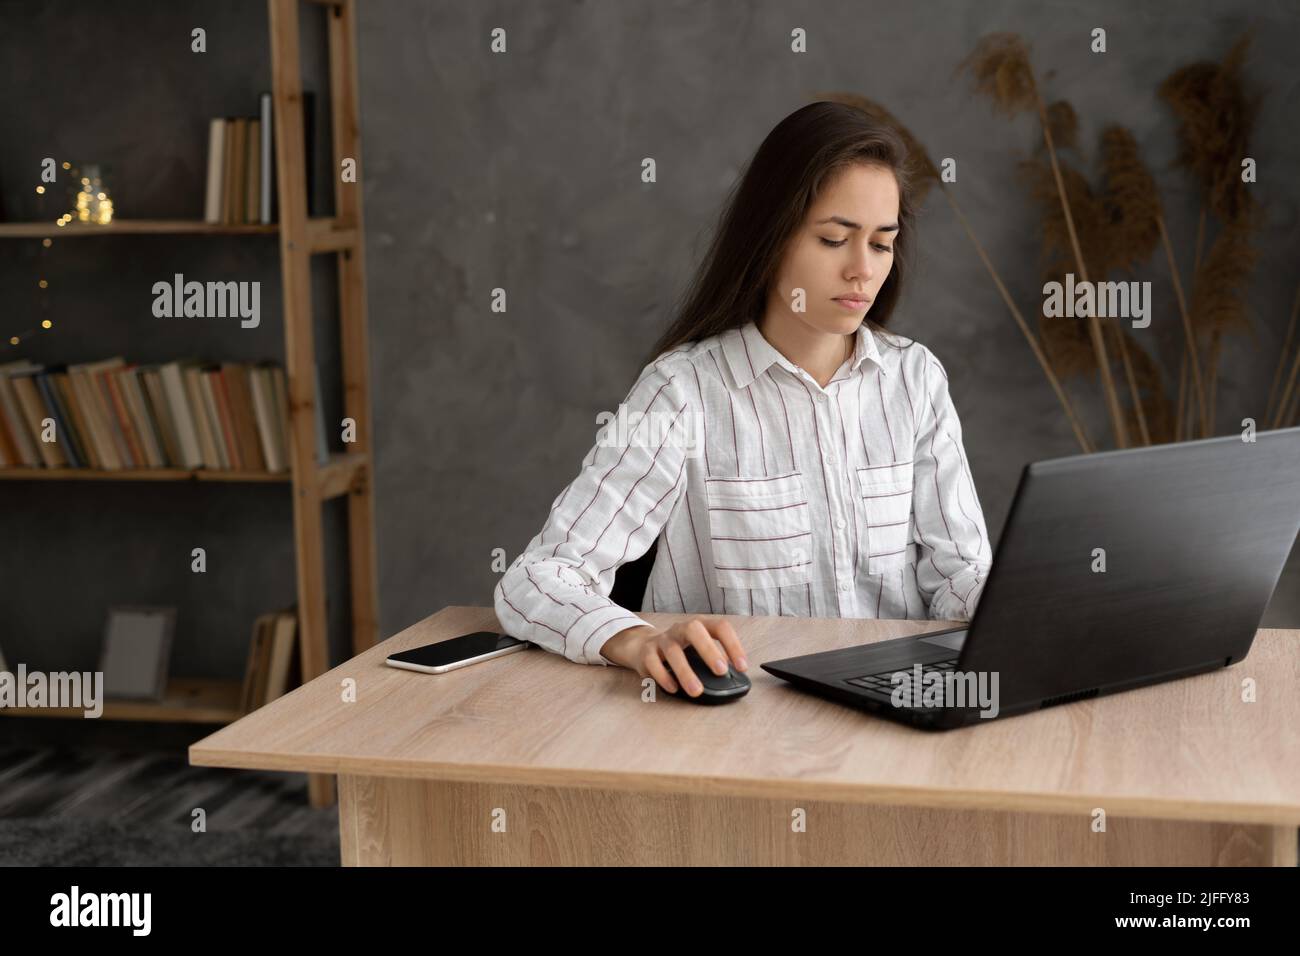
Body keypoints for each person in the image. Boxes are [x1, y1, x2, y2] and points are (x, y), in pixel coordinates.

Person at [494, 101, 991, 698]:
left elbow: (958, 572)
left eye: (882, 244)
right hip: (741, 724)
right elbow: (539, 578)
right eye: (835, 239)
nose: (862, 269)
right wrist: (636, 641)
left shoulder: (914, 379)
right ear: (772, 237)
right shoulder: (682, 391)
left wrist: (1024, 602)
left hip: (898, 712)